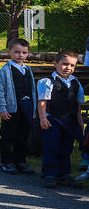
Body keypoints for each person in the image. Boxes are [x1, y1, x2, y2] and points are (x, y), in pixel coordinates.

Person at [37, 50, 85, 188]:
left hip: (70, 121)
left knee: (66, 148)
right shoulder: (47, 82)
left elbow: (77, 105)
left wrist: (80, 121)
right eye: (65, 64)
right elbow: (42, 102)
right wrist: (42, 118)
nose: (68, 68)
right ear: (55, 63)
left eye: (72, 65)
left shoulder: (76, 83)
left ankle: (64, 175)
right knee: (51, 147)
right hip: (52, 120)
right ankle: (49, 174)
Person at [0, 38, 38, 175]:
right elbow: (0, 90)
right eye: (17, 52)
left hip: (27, 107)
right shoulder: (5, 71)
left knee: (23, 135)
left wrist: (34, 108)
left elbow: (32, 90)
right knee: (9, 135)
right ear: (10, 52)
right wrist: (2, 108)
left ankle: (20, 161)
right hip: (11, 108)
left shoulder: (28, 69)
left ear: (27, 53)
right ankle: (7, 162)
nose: (20, 55)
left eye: (24, 52)